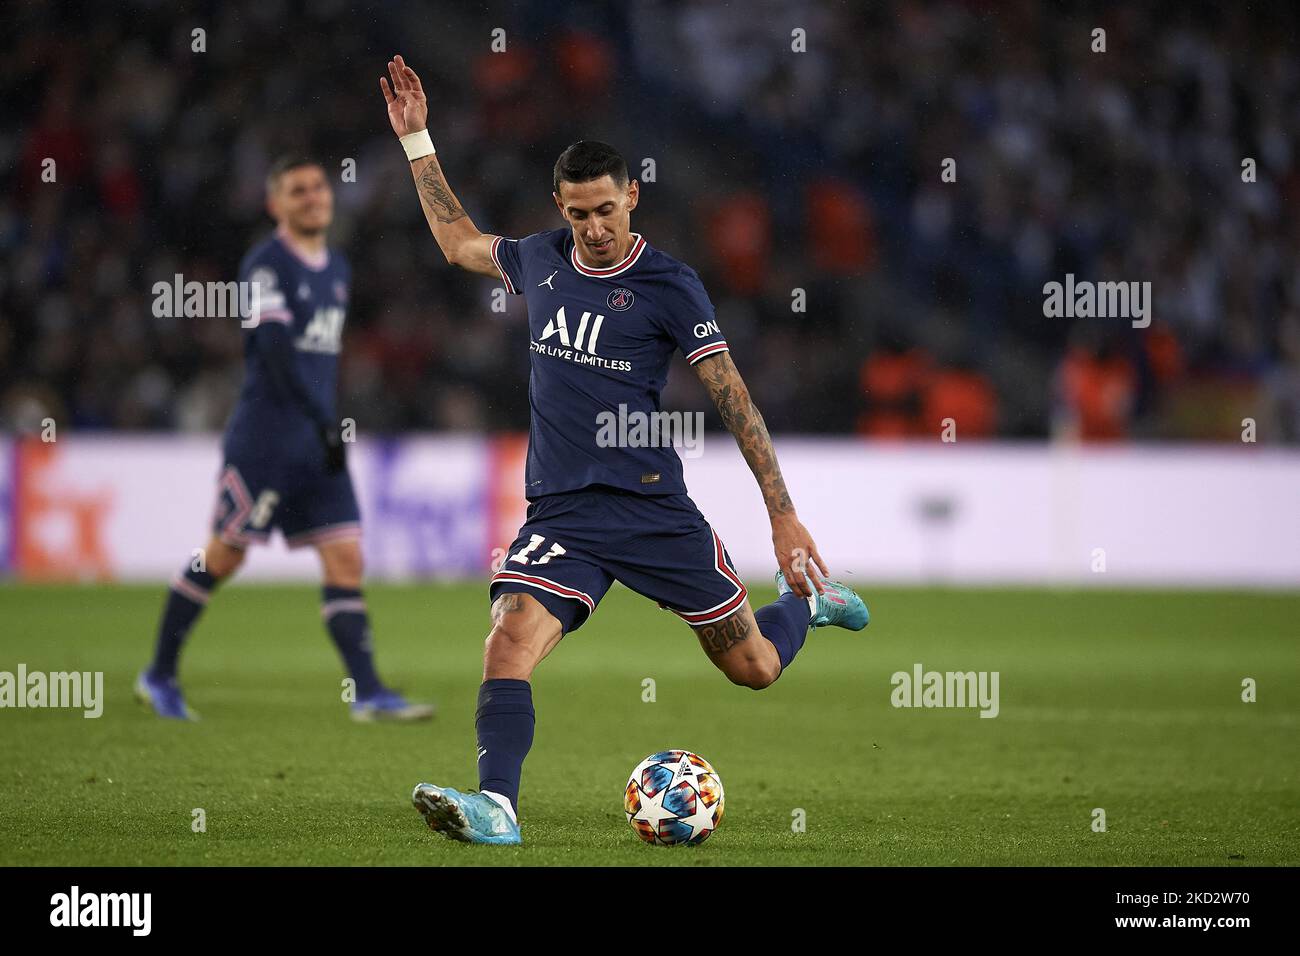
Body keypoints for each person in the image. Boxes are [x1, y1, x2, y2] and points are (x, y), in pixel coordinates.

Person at [381, 55, 867, 843]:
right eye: (579, 214)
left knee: (752, 669)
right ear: (560, 208)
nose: (596, 229)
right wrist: (416, 142)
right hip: (563, 513)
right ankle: (497, 808)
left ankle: (808, 603)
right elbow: (459, 243)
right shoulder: (538, 260)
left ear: (633, 196)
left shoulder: (671, 285)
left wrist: (783, 516)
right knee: (507, 641)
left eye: (607, 209)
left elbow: (733, 398)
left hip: (649, 508)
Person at [136, 156, 433, 723]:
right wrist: (322, 417)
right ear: (275, 204)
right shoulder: (267, 264)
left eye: (319, 188)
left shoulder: (337, 268)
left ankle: (368, 692)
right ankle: (158, 675)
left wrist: (324, 421)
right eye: (297, 191)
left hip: (316, 440)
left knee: (345, 555)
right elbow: (274, 352)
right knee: (224, 554)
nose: (313, 197)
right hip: (267, 441)